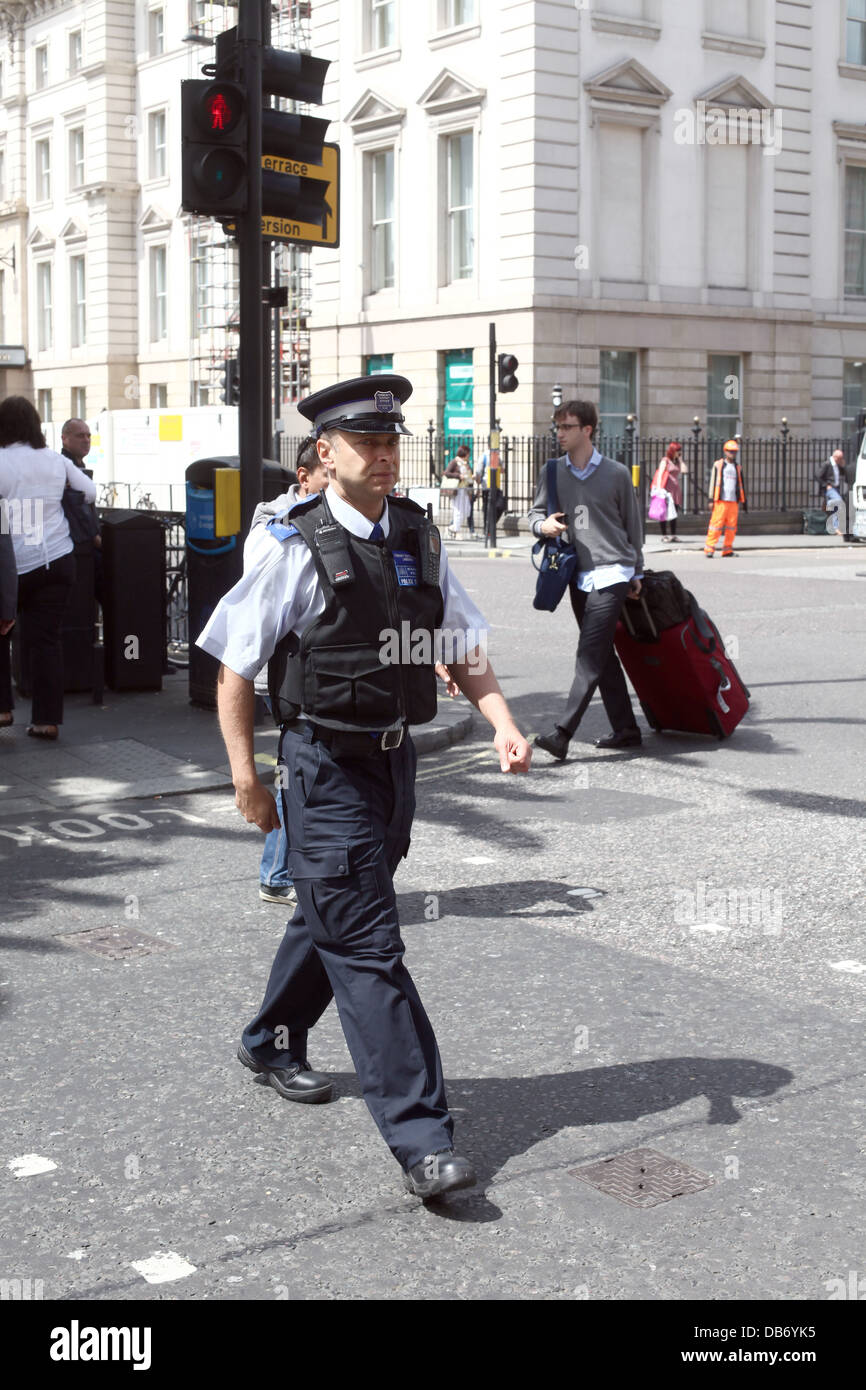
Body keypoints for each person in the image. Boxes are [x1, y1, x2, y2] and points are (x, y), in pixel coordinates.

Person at [197, 374, 531, 1201]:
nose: (384, 456)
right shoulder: (291, 544)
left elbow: (456, 640)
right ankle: (423, 1139)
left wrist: (501, 719)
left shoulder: (417, 535)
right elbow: (235, 670)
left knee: (338, 909)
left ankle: (271, 1036)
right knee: (369, 947)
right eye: (366, 443)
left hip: (393, 763)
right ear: (326, 452)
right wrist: (246, 777)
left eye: (391, 442)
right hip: (323, 764)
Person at [528, 398, 644, 759]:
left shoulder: (616, 473)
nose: (559, 433)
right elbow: (532, 514)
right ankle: (626, 729)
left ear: (587, 430)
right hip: (577, 575)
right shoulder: (552, 472)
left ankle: (563, 733)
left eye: (567, 427)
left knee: (589, 654)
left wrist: (637, 570)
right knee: (603, 655)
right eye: (557, 427)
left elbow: (633, 526)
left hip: (614, 571)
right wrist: (541, 525)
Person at [247, 435, 331, 906]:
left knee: (294, 776)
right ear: (305, 479)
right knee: (292, 777)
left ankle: (282, 872)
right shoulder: (274, 525)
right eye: (326, 480)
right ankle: (278, 874)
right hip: (283, 677)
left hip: (310, 675)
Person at [0, 396, 96, 739]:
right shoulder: (55, 460)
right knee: (46, 642)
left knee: (1, 634)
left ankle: (3, 708)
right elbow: (89, 491)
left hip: (12, 564)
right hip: (57, 559)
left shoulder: (2, 461)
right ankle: (46, 720)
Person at [704, 440, 747, 558]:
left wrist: (743, 501)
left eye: (734, 452)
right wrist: (710, 499)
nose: (733, 453)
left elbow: (741, 484)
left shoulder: (738, 467)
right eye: (730, 451)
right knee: (716, 525)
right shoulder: (718, 464)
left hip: (733, 501)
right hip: (720, 500)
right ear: (725, 451)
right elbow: (713, 482)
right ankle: (709, 549)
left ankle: (727, 550)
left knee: (731, 527)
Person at [650, 441, 687, 542]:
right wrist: (658, 488)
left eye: (680, 450)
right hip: (666, 490)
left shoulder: (677, 461)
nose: (679, 452)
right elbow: (660, 473)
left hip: (675, 490)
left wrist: (680, 459)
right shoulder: (665, 460)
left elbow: (684, 471)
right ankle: (664, 535)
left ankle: (673, 535)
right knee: (663, 512)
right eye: (677, 450)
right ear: (672, 451)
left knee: (674, 512)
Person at [443, 444, 473, 539]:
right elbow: (446, 473)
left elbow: (468, 476)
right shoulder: (455, 462)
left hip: (465, 490)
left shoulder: (465, 464)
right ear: (464, 453)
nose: (469, 455)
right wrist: (458, 476)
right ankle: (456, 531)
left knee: (466, 510)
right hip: (457, 490)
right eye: (468, 453)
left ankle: (452, 528)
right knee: (458, 511)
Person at [816, 449, 846, 537]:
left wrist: (842, 466)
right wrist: (826, 485)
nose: (841, 460)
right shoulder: (827, 464)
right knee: (838, 501)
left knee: (834, 509)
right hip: (830, 489)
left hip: (836, 489)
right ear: (836, 457)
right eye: (840, 458)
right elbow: (818, 476)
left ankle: (835, 528)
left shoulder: (837, 465)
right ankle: (828, 504)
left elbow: (844, 474)